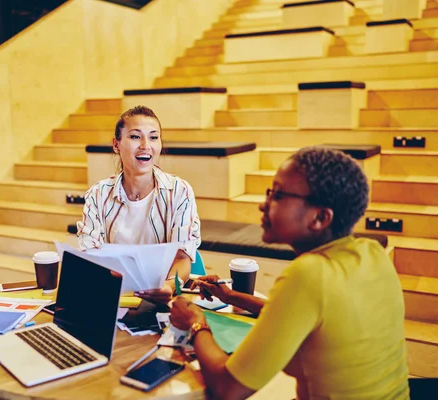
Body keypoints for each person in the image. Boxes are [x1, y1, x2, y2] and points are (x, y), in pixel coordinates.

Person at [170, 146, 409, 400]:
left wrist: (196, 323)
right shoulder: (372, 252)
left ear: (319, 217)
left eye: (278, 195)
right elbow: (305, 315)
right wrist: (230, 297)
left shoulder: (308, 274)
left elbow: (228, 389)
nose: (264, 205)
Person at [77, 105, 201, 303]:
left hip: (162, 299)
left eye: (153, 137)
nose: (146, 145)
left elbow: (182, 258)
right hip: (113, 296)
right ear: (116, 145)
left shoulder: (180, 191)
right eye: (135, 137)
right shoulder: (97, 195)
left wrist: (168, 286)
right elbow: (91, 256)